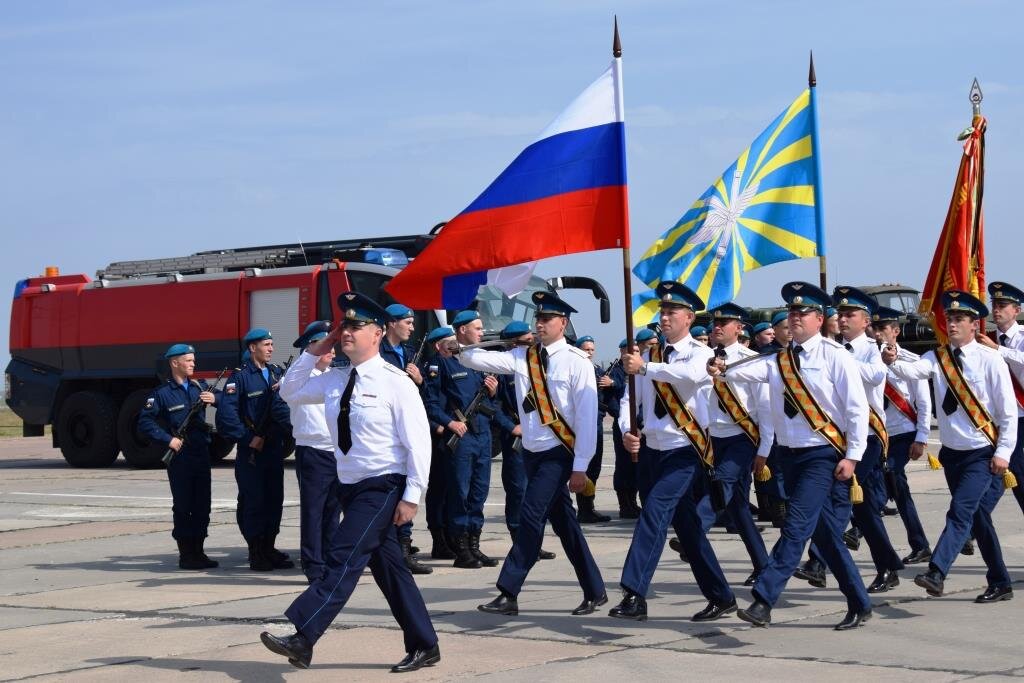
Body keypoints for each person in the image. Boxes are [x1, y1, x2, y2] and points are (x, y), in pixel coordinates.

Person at [260, 292, 439, 673]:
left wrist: (412, 496)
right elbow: (290, 391)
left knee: (342, 556)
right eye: (345, 326)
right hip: (350, 485)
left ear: (377, 333)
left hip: (383, 485)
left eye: (356, 326)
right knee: (392, 571)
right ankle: (426, 644)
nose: (347, 332)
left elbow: (418, 442)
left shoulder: (396, 382)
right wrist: (317, 349)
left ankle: (303, 635)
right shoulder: (335, 379)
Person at [709, 281, 872, 631]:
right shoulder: (778, 360)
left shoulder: (835, 356)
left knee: (796, 526)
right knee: (826, 535)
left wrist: (853, 455)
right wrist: (721, 368)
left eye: (803, 313)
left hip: (823, 456)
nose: (795, 318)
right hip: (790, 456)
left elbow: (857, 409)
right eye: (792, 313)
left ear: (819, 319)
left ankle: (764, 600)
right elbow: (743, 372)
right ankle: (859, 601)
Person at [464, 291, 606, 617]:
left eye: (546, 319)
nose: (539, 324)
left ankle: (508, 590)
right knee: (565, 524)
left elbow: (586, 420)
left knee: (530, 516)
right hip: (533, 452)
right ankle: (595, 589)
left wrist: (581, 467)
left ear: (563, 323)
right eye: (538, 319)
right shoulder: (522, 357)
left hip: (559, 452)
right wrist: (460, 350)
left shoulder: (576, 362)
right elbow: (483, 360)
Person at [609, 281, 736, 622]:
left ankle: (634, 594)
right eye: (662, 311)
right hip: (652, 451)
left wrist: (645, 368)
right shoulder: (648, 356)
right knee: (689, 528)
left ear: (689, 317)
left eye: (672, 312)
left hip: (686, 450)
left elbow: (690, 377)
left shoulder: (700, 354)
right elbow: (628, 400)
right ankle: (721, 596)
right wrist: (627, 430)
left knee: (652, 513)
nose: (664, 317)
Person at [883, 290, 1016, 603]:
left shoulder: (991, 359)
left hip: (982, 452)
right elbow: (914, 370)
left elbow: (1007, 411)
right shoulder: (936, 357)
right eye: (950, 319)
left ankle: (937, 571)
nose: (952, 324)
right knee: (979, 518)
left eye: (959, 319)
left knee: (959, 512)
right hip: (952, 453)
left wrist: (1003, 453)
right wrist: (892, 357)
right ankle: (1000, 580)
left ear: (974, 325)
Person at [832, 286, 905, 593]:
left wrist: (840, 361)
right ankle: (888, 565)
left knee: (837, 497)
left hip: (869, 437)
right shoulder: (833, 348)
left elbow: (876, 376)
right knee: (862, 510)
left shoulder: (872, 349)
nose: (843, 319)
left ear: (865, 321)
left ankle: (817, 560)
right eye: (841, 314)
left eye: (850, 315)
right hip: (840, 437)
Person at [702, 303, 773, 588]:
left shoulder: (751, 360)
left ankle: (695, 529)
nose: (718, 327)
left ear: (739, 328)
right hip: (713, 438)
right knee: (739, 507)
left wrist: (765, 449)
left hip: (742, 437)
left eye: (725, 323)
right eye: (715, 323)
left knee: (722, 482)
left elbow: (765, 409)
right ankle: (762, 564)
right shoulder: (703, 358)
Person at [425, 310, 502, 569]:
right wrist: (449, 422)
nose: (481, 332)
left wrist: (493, 391)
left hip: (482, 435)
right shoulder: (444, 363)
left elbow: (492, 402)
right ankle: (461, 550)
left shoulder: (479, 361)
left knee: (479, 493)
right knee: (460, 492)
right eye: (477, 328)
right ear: (461, 330)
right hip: (461, 436)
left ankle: (474, 545)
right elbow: (431, 403)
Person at [217, 328, 294, 572]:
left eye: (272, 344)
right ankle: (256, 551)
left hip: (273, 448)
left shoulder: (275, 374)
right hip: (252, 450)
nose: (271, 348)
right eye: (266, 344)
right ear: (252, 348)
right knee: (254, 501)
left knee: (274, 499)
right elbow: (227, 415)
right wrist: (247, 438)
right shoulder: (239, 378)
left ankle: (269, 547)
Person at [138, 343, 219, 570]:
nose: (193, 363)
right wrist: (168, 440)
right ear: (175, 363)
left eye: (193, 360)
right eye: (189, 360)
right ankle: (186, 554)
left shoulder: (198, 387)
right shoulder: (162, 394)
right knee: (184, 505)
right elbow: (144, 422)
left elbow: (223, 398)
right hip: (180, 457)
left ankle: (199, 551)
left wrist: (216, 400)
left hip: (200, 453)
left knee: (203, 504)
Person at [871, 306, 933, 564]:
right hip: (878, 434)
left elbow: (924, 402)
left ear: (895, 331)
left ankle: (858, 527)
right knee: (898, 488)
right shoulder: (867, 359)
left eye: (883, 328)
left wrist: (921, 437)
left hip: (903, 432)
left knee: (889, 474)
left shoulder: (910, 360)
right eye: (874, 329)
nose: (877, 334)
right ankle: (919, 544)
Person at [285, 321, 342, 583]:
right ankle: (313, 563)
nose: (331, 351)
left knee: (332, 511)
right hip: (312, 451)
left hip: (335, 451)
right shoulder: (299, 379)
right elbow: (288, 387)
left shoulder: (333, 375)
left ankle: (330, 558)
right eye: (325, 346)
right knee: (313, 511)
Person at [380, 303, 430, 575]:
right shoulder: (380, 354)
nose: (411, 327)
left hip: (407, 429)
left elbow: (426, 395)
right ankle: (392, 552)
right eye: (407, 322)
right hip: (386, 430)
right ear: (391, 324)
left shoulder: (410, 355)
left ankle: (403, 549)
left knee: (408, 489)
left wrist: (420, 380)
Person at [976, 281, 1024, 517]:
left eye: (1003, 305)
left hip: (1021, 413)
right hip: (996, 416)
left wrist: (997, 349)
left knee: (1011, 468)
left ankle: (975, 524)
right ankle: (975, 525)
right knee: (998, 470)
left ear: (1017, 310)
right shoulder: (986, 338)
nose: (997, 309)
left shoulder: (1021, 337)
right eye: (994, 304)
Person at [420, 326, 457, 560]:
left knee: (452, 488)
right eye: (450, 342)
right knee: (439, 489)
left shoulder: (455, 363)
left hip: (453, 433)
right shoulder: (433, 367)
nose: (454, 346)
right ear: (438, 346)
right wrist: (438, 427)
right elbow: (427, 403)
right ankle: (439, 539)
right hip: (439, 435)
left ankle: (450, 537)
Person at [575, 335, 612, 523]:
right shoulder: (573, 369)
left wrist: (611, 384)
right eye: (585, 349)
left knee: (595, 468)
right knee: (583, 467)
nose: (589, 353)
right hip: (580, 425)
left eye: (591, 350)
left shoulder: (598, 371)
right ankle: (582, 508)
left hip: (596, 424)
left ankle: (589, 507)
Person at [607, 338, 640, 518]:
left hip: (638, 424)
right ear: (621, 351)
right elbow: (612, 401)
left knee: (635, 467)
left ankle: (632, 503)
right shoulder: (616, 371)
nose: (634, 353)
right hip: (622, 425)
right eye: (630, 350)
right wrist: (624, 420)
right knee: (623, 466)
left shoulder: (639, 369)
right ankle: (624, 505)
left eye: (636, 350)